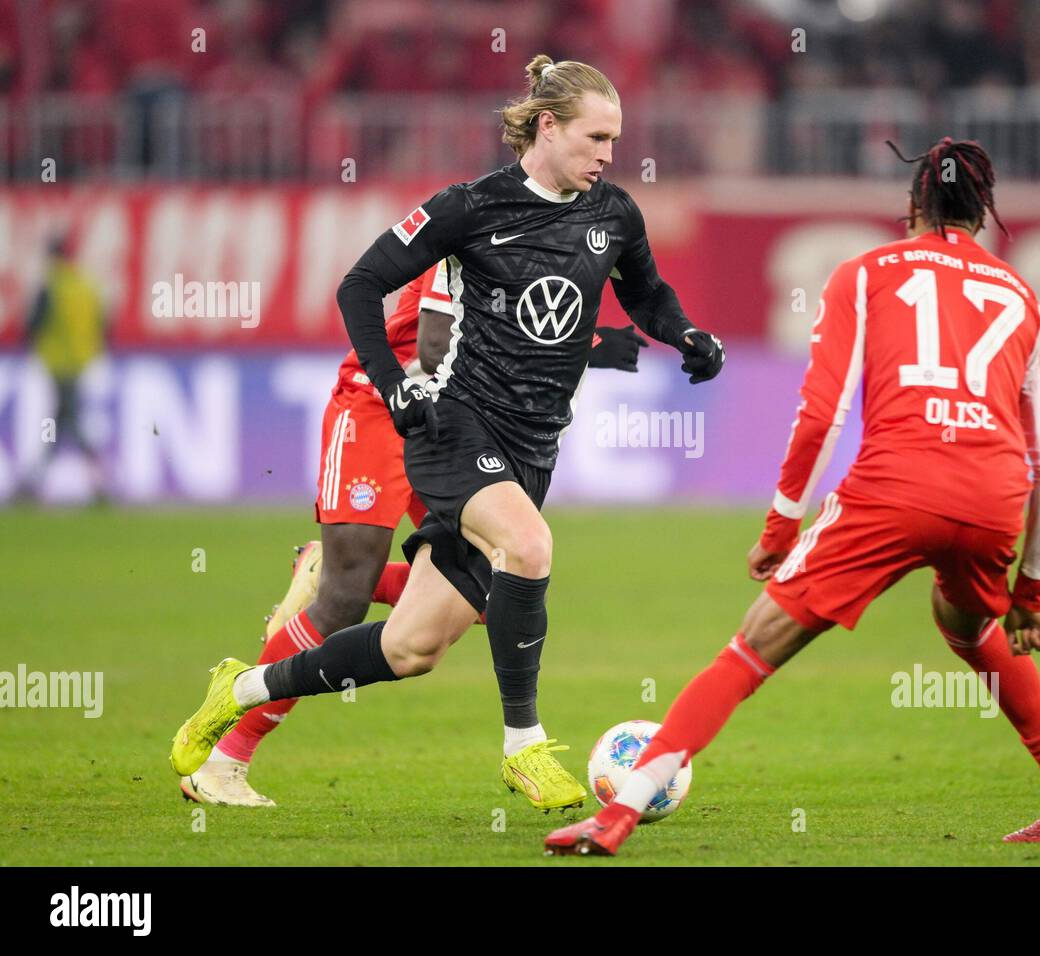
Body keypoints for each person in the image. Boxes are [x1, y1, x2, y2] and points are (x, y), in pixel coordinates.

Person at [169, 54, 725, 813]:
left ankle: (242, 688)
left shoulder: (613, 215)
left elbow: (647, 294)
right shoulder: (470, 208)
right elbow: (364, 285)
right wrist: (398, 384)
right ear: (548, 125)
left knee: (411, 647)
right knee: (523, 550)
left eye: (616, 140)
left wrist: (686, 334)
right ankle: (524, 747)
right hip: (450, 424)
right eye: (597, 136)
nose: (609, 154)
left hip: (532, 447)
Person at [545, 137, 1040, 856]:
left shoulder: (867, 273)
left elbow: (823, 411)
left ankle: (618, 815)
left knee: (752, 647)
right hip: (993, 495)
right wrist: (1034, 589)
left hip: (895, 489)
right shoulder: (1020, 297)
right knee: (968, 624)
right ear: (983, 213)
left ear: (913, 205)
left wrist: (782, 524)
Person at [181, 262, 648, 807]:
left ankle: (329, 568)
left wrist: (584, 343)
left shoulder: (534, 244)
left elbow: (513, 323)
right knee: (342, 601)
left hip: (453, 431)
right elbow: (434, 346)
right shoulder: (473, 230)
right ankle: (224, 761)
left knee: (492, 594)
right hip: (382, 410)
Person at [22, 234, 108, 499]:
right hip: (82, 363)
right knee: (62, 421)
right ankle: (94, 481)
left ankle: (96, 480)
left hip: (58, 365)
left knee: (65, 422)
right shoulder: (86, 285)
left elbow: (33, 325)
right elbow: (104, 323)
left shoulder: (52, 287)